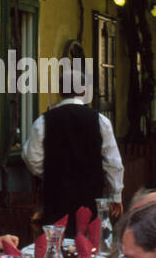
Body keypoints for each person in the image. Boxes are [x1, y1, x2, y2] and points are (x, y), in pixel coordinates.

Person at [23, 77, 124, 225]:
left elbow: (31, 158)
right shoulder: (100, 121)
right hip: (90, 197)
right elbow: (113, 162)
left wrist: (50, 173)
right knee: (89, 241)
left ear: (60, 91)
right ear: (83, 91)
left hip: (56, 196)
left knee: (56, 239)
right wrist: (116, 196)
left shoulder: (43, 121)